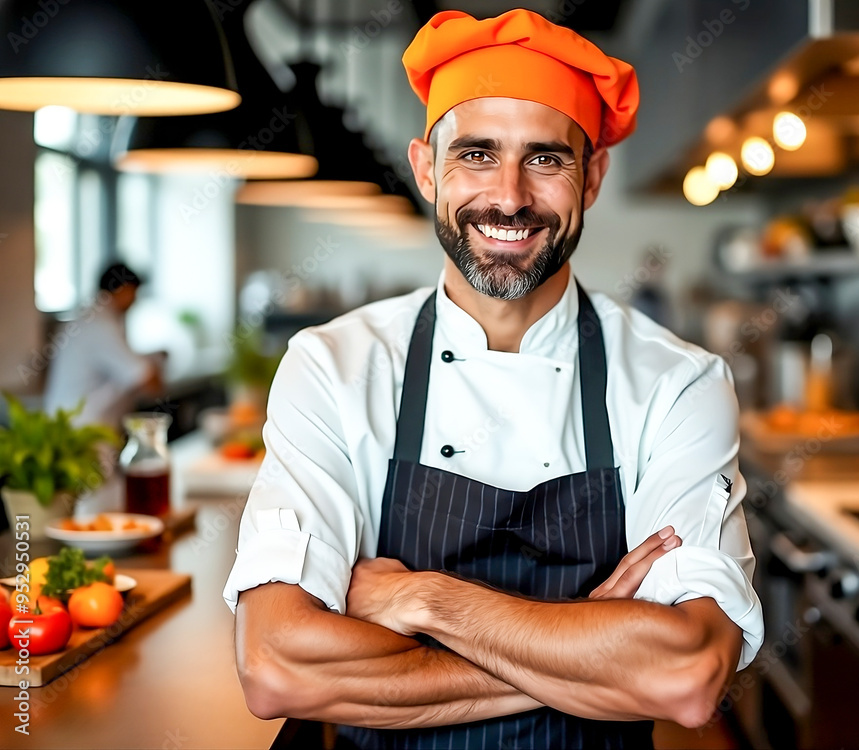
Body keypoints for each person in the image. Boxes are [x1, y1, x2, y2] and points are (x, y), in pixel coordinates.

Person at [224, 9, 763, 749]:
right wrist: (591, 641)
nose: (509, 197)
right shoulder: (335, 368)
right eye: (476, 155)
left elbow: (687, 673)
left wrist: (426, 600)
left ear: (592, 177)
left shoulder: (678, 384)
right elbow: (276, 667)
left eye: (546, 159)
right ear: (426, 170)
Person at [44, 262, 163, 429]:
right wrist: (156, 366)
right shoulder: (101, 325)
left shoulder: (91, 315)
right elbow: (147, 381)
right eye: (134, 293)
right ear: (123, 289)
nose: (135, 300)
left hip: (73, 422)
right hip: (80, 428)